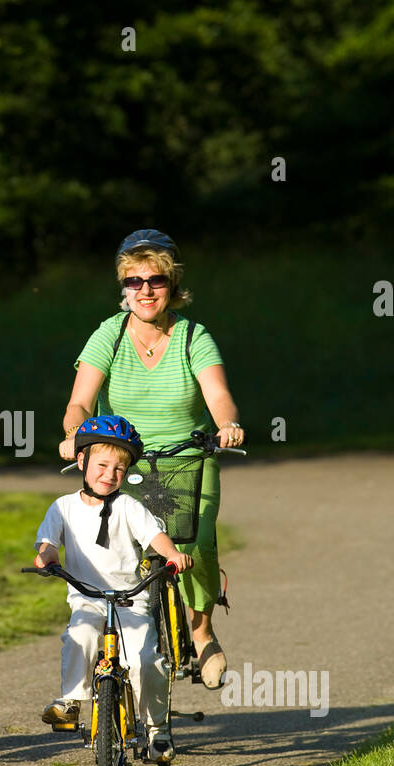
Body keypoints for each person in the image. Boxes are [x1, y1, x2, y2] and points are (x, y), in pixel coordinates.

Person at [57, 229, 244, 690]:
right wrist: (74, 433)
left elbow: (219, 395)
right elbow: (80, 402)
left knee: (193, 543)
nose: (144, 290)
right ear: (123, 288)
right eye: (133, 281)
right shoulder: (110, 335)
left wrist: (227, 424)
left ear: (172, 284)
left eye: (155, 280)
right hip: (123, 459)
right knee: (122, 551)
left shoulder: (193, 337)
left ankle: (201, 633)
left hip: (189, 458)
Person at [34, 415, 193, 761]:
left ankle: (157, 729)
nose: (109, 475)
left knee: (146, 660)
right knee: (80, 637)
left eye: (119, 469)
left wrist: (173, 555)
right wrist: (45, 557)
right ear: (81, 461)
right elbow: (48, 542)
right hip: (88, 600)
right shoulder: (63, 507)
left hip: (130, 602)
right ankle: (72, 702)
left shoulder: (128, 507)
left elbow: (154, 536)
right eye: (102, 465)